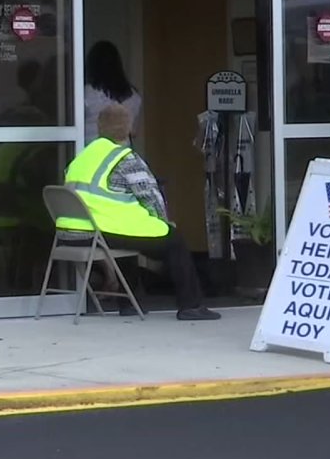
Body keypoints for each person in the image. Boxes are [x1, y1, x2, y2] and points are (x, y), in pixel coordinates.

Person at [56, 104, 221, 321]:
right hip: (99, 232)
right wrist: (164, 223)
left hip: (71, 233)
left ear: (99, 127)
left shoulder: (83, 156)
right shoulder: (125, 159)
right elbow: (152, 197)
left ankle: (129, 304)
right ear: (129, 128)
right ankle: (191, 305)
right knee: (174, 241)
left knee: (128, 235)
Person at [84, 41, 142, 144]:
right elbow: (133, 131)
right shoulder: (133, 96)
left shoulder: (86, 94)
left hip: (90, 151)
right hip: (120, 154)